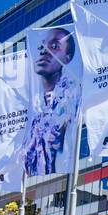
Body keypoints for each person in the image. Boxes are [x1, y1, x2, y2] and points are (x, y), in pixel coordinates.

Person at [23, 27, 80, 176]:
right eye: (41, 46)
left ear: (67, 58)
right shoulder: (31, 104)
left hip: (63, 179)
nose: (44, 51)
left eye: (54, 46)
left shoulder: (74, 97)